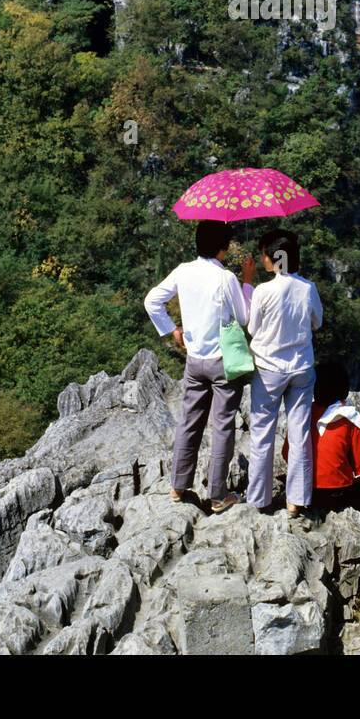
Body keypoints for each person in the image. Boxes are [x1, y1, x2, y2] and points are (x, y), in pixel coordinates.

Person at [144, 220, 252, 513]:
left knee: (190, 421)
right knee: (222, 426)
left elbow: (152, 301)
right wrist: (247, 282)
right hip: (222, 362)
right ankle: (218, 494)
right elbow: (244, 317)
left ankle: (179, 485)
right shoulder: (227, 278)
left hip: (194, 361)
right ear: (223, 247)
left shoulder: (183, 270)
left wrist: (173, 330)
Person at [245, 228, 322, 515]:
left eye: (265, 253)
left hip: (268, 369)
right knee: (300, 432)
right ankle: (297, 500)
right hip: (301, 367)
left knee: (262, 433)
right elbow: (317, 322)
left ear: (274, 258)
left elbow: (252, 329)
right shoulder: (308, 288)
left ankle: (259, 499)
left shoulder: (263, 291)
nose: (262, 257)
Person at [304, 362, 360, 516]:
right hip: (339, 492)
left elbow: (287, 453)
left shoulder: (304, 414)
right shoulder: (351, 417)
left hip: (304, 491)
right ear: (345, 389)